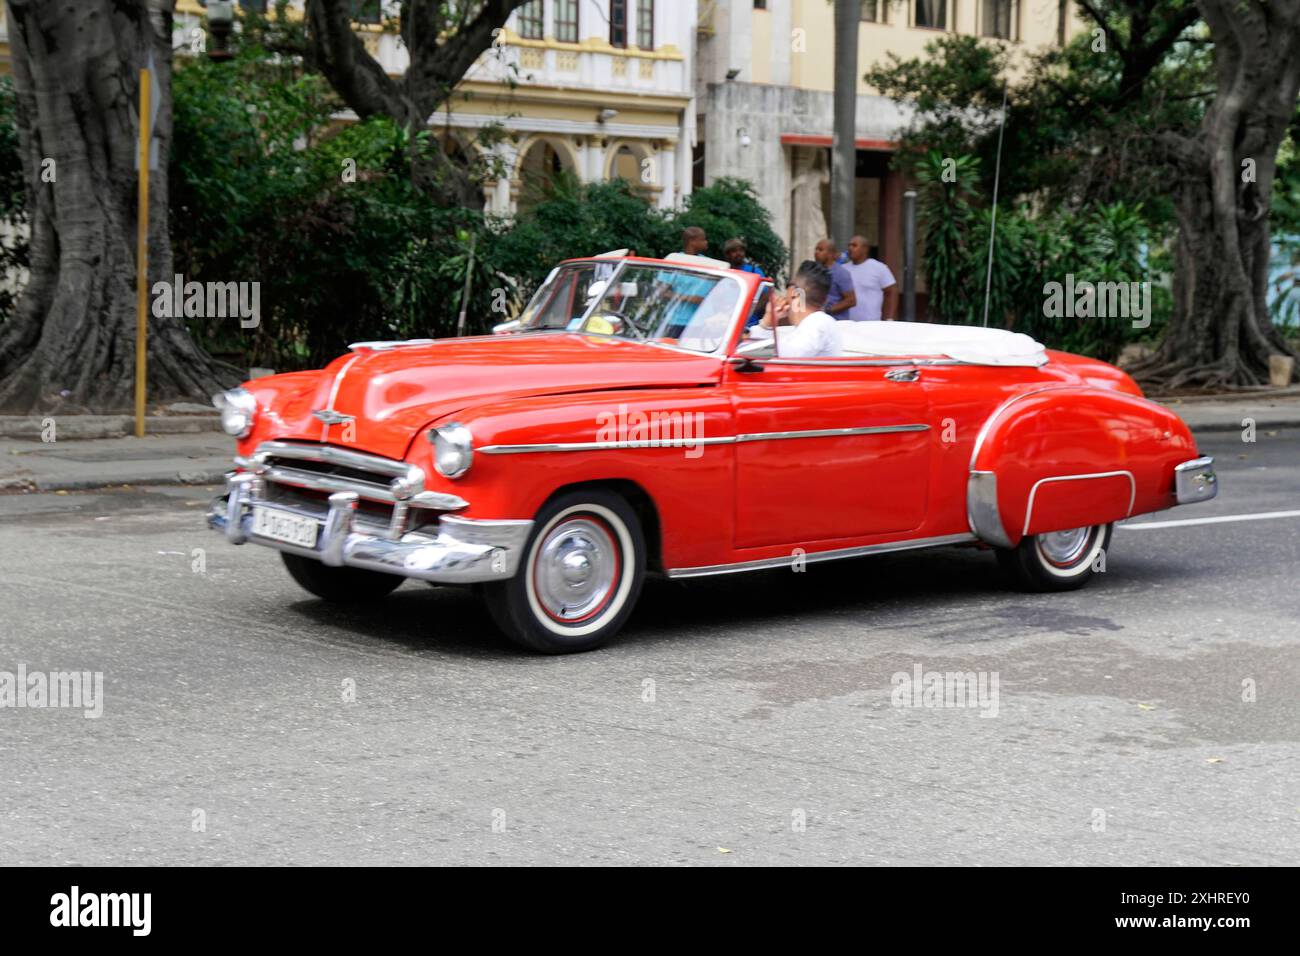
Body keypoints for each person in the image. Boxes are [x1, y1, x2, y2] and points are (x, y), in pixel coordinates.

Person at [754, 260, 842, 359]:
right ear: (825, 300)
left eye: (788, 286)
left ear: (794, 293)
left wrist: (766, 322)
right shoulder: (812, 325)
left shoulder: (818, 324)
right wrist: (768, 323)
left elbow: (770, 356)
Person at [841, 234, 897, 322]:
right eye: (849, 245)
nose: (850, 248)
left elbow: (891, 292)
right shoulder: (843, 269)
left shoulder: (879, 268)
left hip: (871, 323)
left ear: (865, 249)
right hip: (848, 324)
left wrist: (890, 318)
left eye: (854, 245)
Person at [813, 238, 856, 317]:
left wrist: (827, 310)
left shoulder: (841, 273)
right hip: (817, 320)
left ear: (830, 254)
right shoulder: (814, 271)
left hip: (836, 323)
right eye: (816, 249)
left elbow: (851, 300)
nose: (816, 252)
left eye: (820, 250)